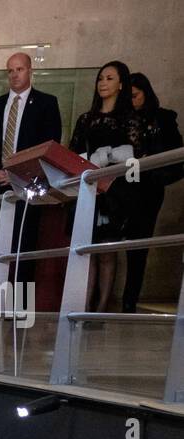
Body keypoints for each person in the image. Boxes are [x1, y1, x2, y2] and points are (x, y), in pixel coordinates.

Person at [0, 52, 62, 285]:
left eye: (19, 69)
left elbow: (49, 146)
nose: (14, 75)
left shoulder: (46, 104)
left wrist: (19, 174)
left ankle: (21, 309)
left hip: (28, 186)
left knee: (24, 248)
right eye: (10, 70)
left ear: (30, 71)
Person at [69, 61, 141, 315]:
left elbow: (135, 159)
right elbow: (73, 151)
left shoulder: (129, 119)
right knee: (85, 251)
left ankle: (101, 308)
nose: (103, 82)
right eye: (100, 78)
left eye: (109, 78)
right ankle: (84, 306)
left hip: (116, 192)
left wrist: (109, 160)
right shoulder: (86, 119)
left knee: (107, 252)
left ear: (121, 84)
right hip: (89, 189)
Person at [122, 73, 182, 312]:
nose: (131, 100)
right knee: (110, 242)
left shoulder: (163, 118)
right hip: (121, 185)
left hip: (148, 188)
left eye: (135, 95)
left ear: (146, 93)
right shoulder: (122, 119)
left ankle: (130, 299)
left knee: (138, 243)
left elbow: (176, 156)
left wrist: (155, 173)